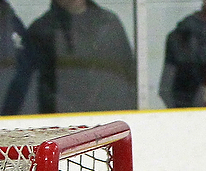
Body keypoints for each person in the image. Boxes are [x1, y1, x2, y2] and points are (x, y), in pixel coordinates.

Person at [0, 0, 135, 115]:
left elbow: (130, 74)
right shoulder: (41, 31)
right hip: (66, 126)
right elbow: (39, 89)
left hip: (114, 120)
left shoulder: (110, 23)